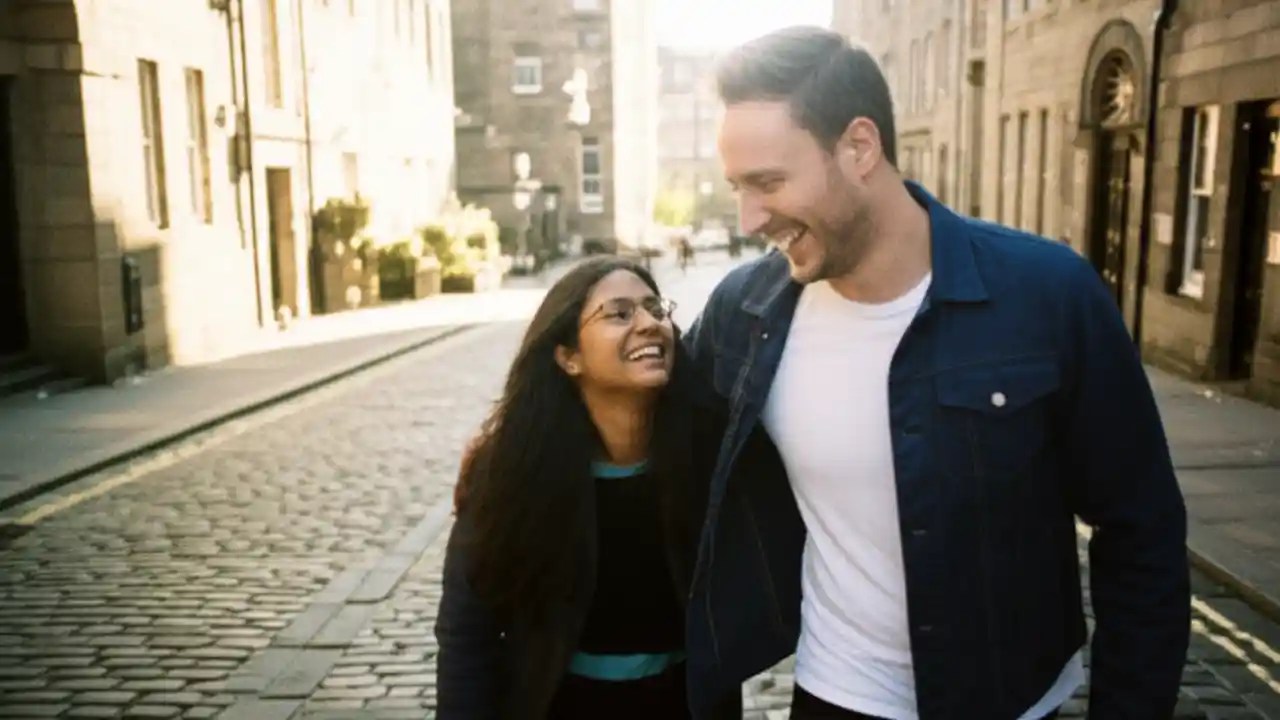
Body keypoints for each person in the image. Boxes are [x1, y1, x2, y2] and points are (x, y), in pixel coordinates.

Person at [680, 26, 1191, 720]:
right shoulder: (745, 310)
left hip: (1013, 701)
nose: (748, 218)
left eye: (768, 183)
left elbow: (1141, 529)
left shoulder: (1048, 294)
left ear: (859, 147)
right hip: (833, 695)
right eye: (738, 188)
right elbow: (653, 451)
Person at [434, 256, 742, 719]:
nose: (648, 324)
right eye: (619, 313)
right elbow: (466, 631)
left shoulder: (710, 452)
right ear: (569, 356)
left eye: (655, 309)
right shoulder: (513, 471)